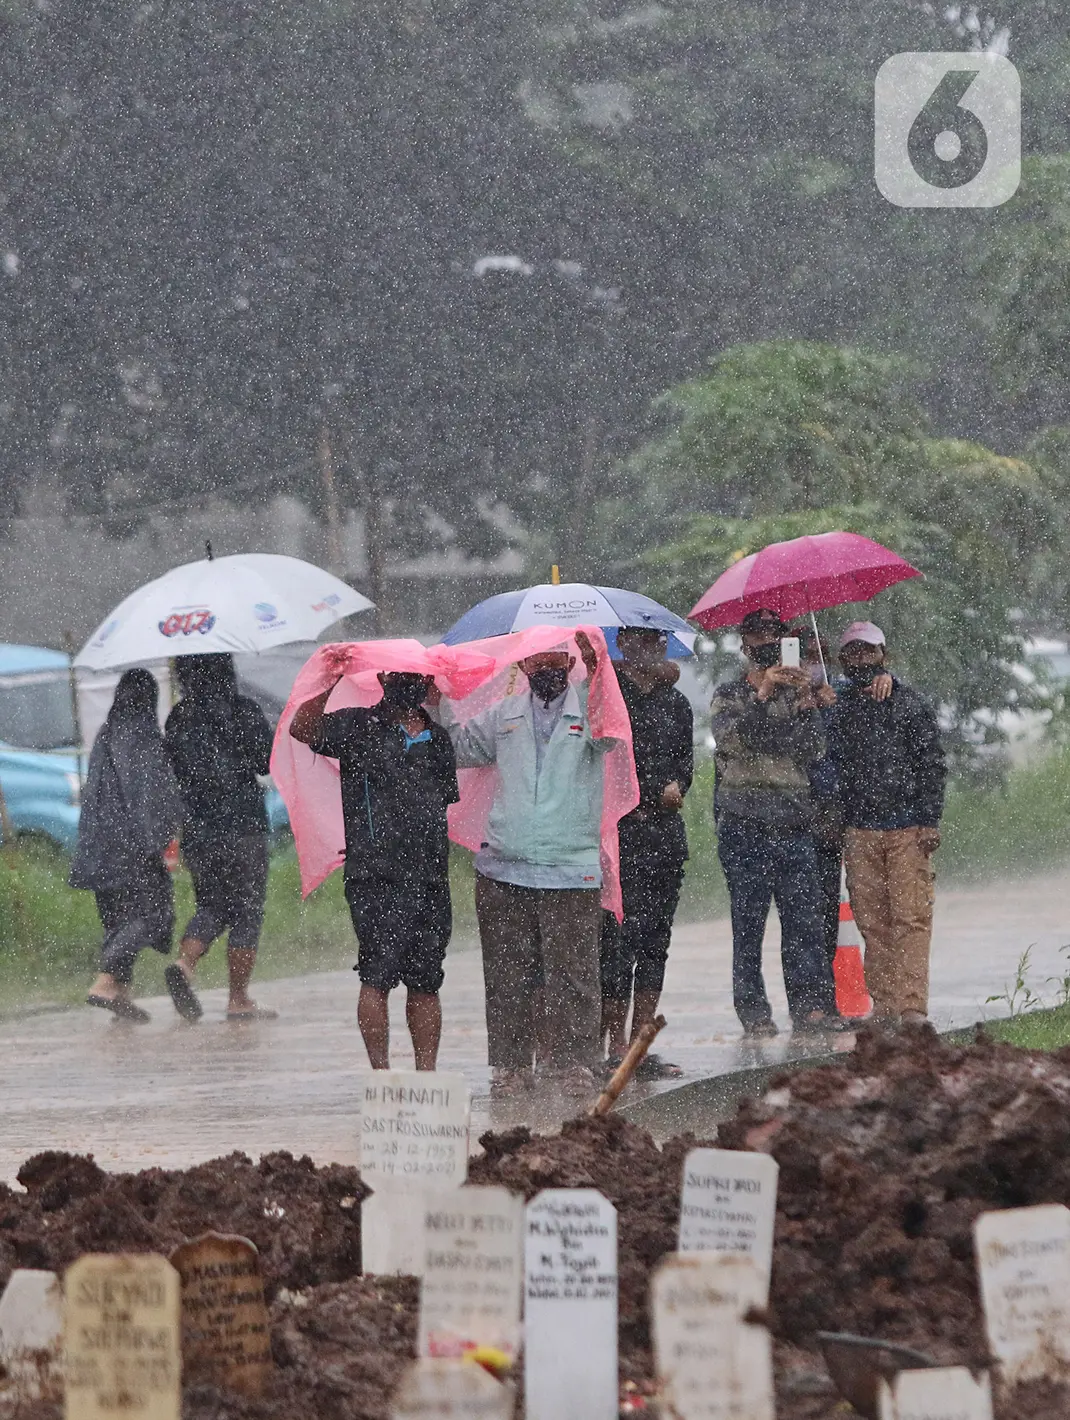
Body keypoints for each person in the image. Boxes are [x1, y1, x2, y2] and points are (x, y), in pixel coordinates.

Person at [435, 632, 612, 1100]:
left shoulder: (589, 710)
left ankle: (574, 1064)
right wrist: (440, 699)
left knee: (574, 973)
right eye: (538, 657)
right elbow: (457, 749)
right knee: (507, 974)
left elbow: (613, 734)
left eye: (558, 656)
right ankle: (511, 1067)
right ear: (526, 662)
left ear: (569, 660)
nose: (547, 666)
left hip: (570, 867)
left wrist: (599, 671)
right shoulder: (504, 714)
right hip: (503, 869)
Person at [290, 660, 459, 1070]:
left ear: (428, 680)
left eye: (418, 675)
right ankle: (381, 1077)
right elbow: (303, 728)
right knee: (376, 976)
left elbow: (443, 803)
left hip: (429, 878)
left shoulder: (438, 740)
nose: (409, 682)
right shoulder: (355, 727)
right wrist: (331, 679)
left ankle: (426, 1079)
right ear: (382, 678)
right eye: (401, 674)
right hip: (375, 877)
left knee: (426, 981)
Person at [711, 609, 848, 1037]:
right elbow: (735, 739)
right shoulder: (729, 694)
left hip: (792, 820)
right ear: (743, 642)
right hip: (743, 823)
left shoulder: (801, 694)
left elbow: (811, 747)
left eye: (773, 633)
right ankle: (753, 1012)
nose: (765, 640)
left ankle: (811, 1009)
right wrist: (765, 693)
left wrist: (806, 704)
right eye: (756, 634)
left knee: (804, 921)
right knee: (747, 925)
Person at [827, 621, 947, 1026]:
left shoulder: (908, 704)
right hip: (859, 829)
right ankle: (884, 1005)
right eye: (852, 653)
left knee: (911, 918)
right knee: (872, 921)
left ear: (883, 655)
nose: (860, 659)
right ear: (841, 660)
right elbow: (825, 759)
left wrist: (929, 820)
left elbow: (931, 764)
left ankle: (912, 1008)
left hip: (907, 828)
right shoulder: (837, 706)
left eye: (868, 651)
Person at [598, 628, 693, 1078]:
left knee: (656, 943)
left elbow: (685, 765)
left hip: (664, 839)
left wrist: (678, 785)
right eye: (639, 641)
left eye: (657, 641)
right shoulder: (610, 698)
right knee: (618, 943)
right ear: (625, 645)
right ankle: (614, 1042)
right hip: (622, 837)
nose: (649, 649)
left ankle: (640, 1043)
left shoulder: (676, 704)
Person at [163, 654, 276, 1022]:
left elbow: (174, 771)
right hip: (243, 826)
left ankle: (184, 964)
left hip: (199, 829)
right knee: (247, 910)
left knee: (211, 906)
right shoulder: (244, 710)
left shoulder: (178, 718)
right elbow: (265, 762)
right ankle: (238, 998)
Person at [70, 668, 183, 1023]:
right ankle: (105, 981)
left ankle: (120, 995)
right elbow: (148, 797)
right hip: (133, 847)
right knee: (153, 914)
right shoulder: (145, 737)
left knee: (118, 921)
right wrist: (164, 839)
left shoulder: (106, 734)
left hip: (98, 847)